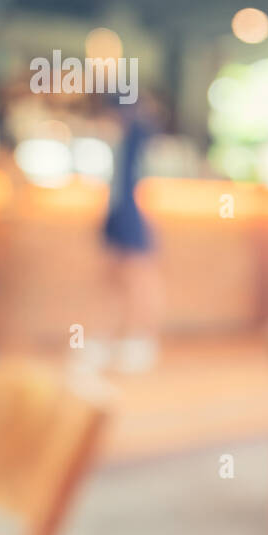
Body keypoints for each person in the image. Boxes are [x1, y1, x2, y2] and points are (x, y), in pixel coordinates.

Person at [79, 94, 163, 373]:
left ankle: (135, 343)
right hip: (117, 219)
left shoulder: (135, 136)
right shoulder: (121, 141)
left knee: (136, 282)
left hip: (128, 219)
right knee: (112, 284)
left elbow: (130, 188)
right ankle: (109, 343)